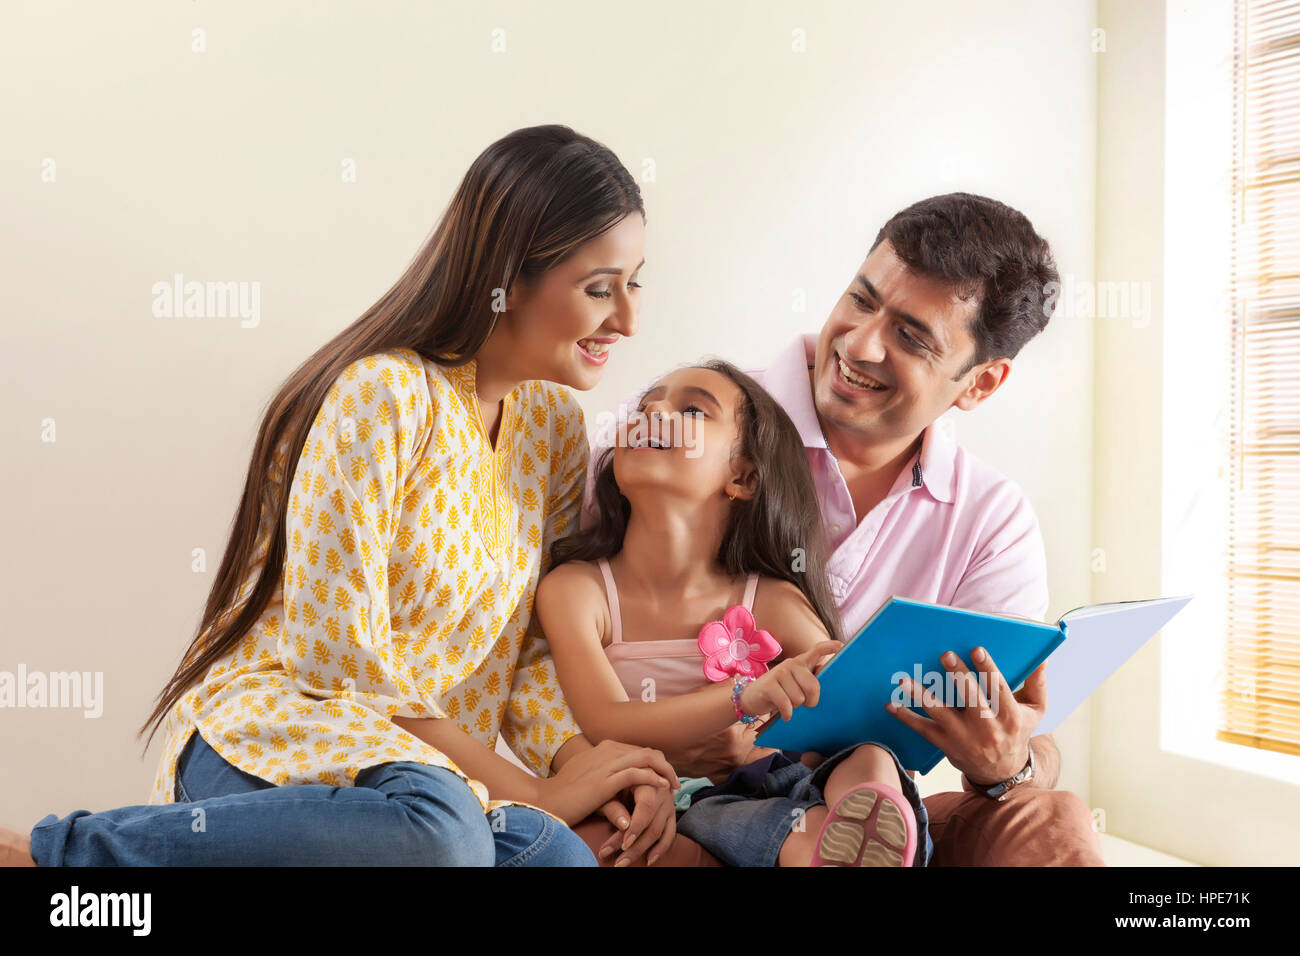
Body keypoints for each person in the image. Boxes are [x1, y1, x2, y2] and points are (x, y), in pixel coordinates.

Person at [0, 124, 680, 867]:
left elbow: (528, 656)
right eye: (598, 289)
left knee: (561, 861)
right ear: (509, 281)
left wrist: (589, 768)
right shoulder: (383, 394)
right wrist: (538, 793)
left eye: (634, 281)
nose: (629, 319)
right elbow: (338, 658)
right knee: (446, 838)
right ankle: (52, 859)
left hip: (431, 783)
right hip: (279, 742)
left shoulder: (552, 431)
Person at [576, 192, 1105, 866]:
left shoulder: (990, 520)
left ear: (980, 383)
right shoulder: (686, 432)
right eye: (861, 300)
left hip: (857, 824)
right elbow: (538, 656)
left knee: (1052, 819)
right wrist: (636, 767)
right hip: (675, 810)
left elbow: (1032, 741)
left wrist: (1005, 763)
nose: (859, 345)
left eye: (911, 337)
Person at [537, 360, 930, 867]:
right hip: (695, 804)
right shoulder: (577, 589)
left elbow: (840, 701)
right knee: (698, 824)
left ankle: (869, 819)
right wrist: (744, 696)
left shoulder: (770, 597)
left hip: (793, 783)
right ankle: (817, 852)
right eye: (646, 404)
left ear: (742, 477)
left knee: (868, 755)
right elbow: (608, 723)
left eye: (692, 409)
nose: (653, 410)